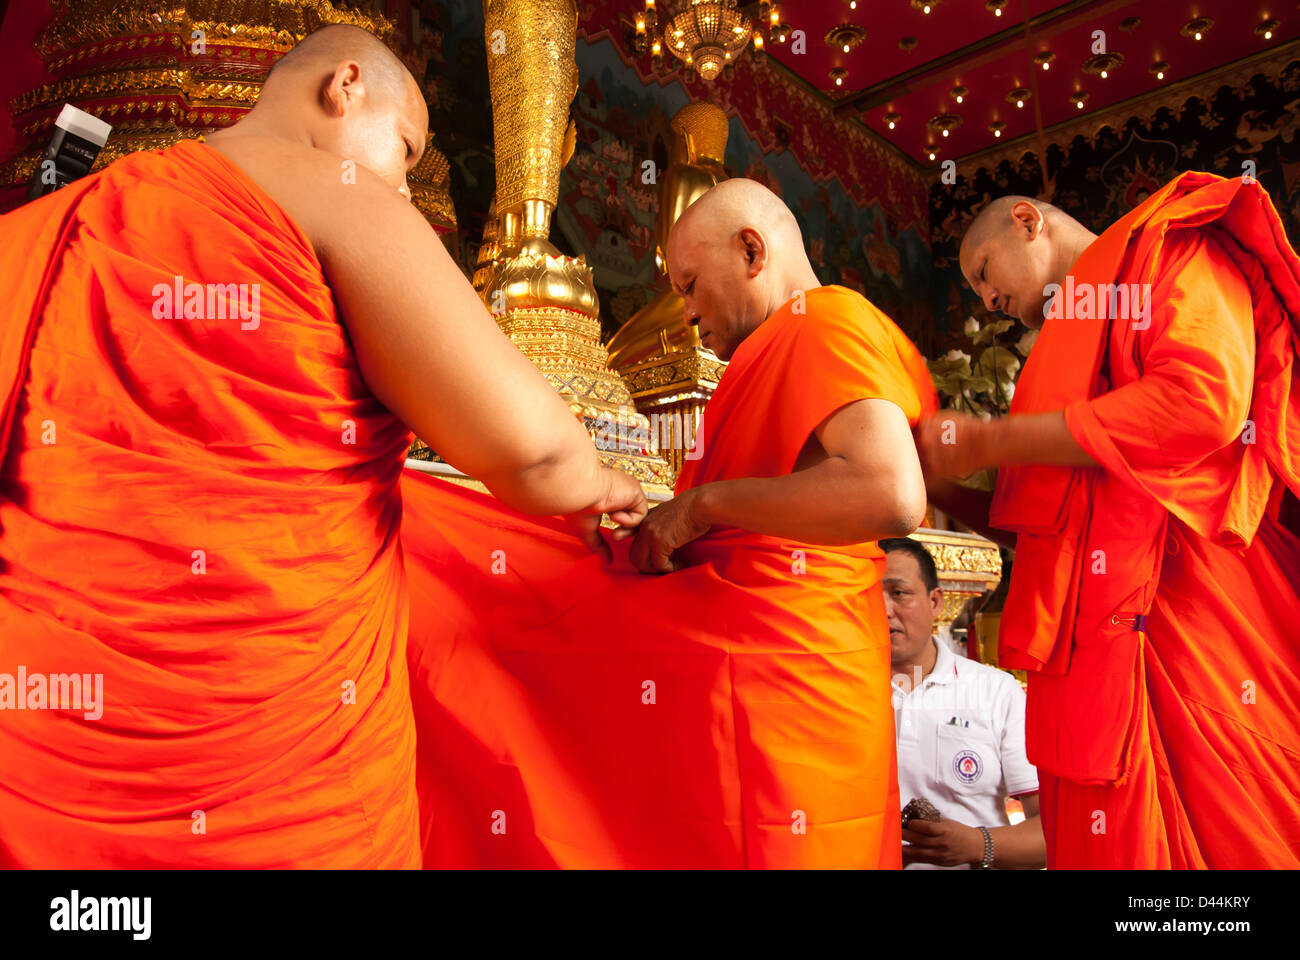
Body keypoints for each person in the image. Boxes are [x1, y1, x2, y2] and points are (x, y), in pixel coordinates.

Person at [0, 24, 645, 868]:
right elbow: (536, 452)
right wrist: (605, 484)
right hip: (274, 772)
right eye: (407, 155)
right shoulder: (338, 190)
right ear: (345, 87)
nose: (405, 192)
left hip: (50, 766)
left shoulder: (62, 221)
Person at [401, 177, 938, 868]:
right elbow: (761, 518)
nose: (683, 312)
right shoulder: (768, 353)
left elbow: (890, 493)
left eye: (689, 284)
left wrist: (699, 508)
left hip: (791, 682)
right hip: (750, 671)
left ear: (752, 251)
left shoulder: (827, 320)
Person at [917, 174, 1300, 868]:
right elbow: (1050, 535)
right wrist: (944, 487)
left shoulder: (1168, 247)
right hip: (1091, 653)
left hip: (1183, 603)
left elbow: (1200, 403)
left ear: (1028, 221)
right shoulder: (1063, 350)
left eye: (983, 271)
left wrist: (990, 439)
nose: (987, 299)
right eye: (974, 291)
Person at [880, 538, 1044, 870]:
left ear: (936, 601)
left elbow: (1052, 831)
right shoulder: (837, 694)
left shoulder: (996, 693)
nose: (884, 609)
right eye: (870, 596)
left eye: (899, 593)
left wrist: (979, 844)